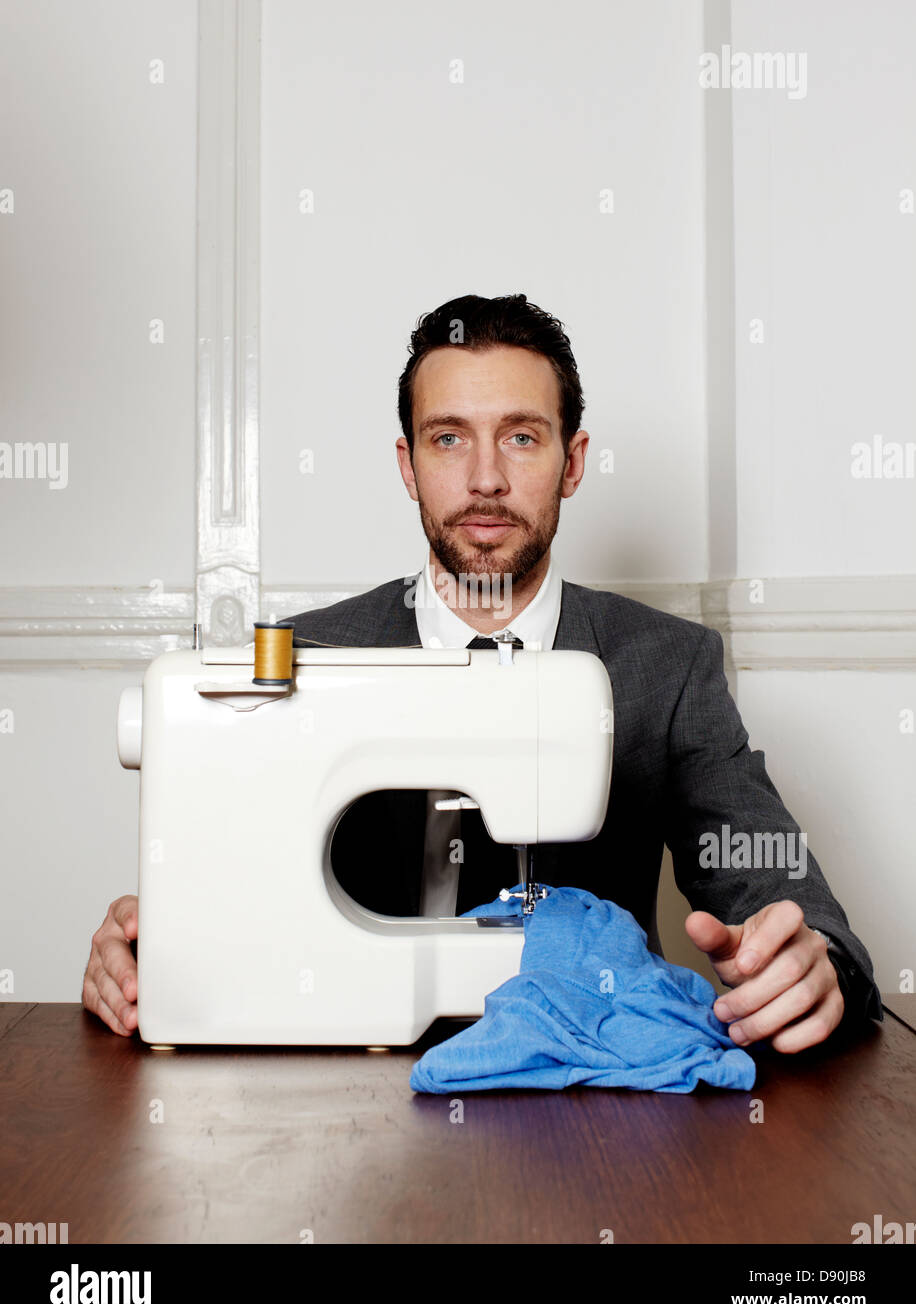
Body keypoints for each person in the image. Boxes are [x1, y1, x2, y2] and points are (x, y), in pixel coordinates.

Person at [82, 292, 882, 1052]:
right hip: (347, 1083)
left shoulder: (666, 667)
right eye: (449, 438)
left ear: (573, 463)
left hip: (584, 1098)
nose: (486, 479)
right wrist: (148, 951)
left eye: (523, 437)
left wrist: (815, 967)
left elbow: (781, 887)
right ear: (408, 464)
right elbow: (222, 914)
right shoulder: (305, 658)